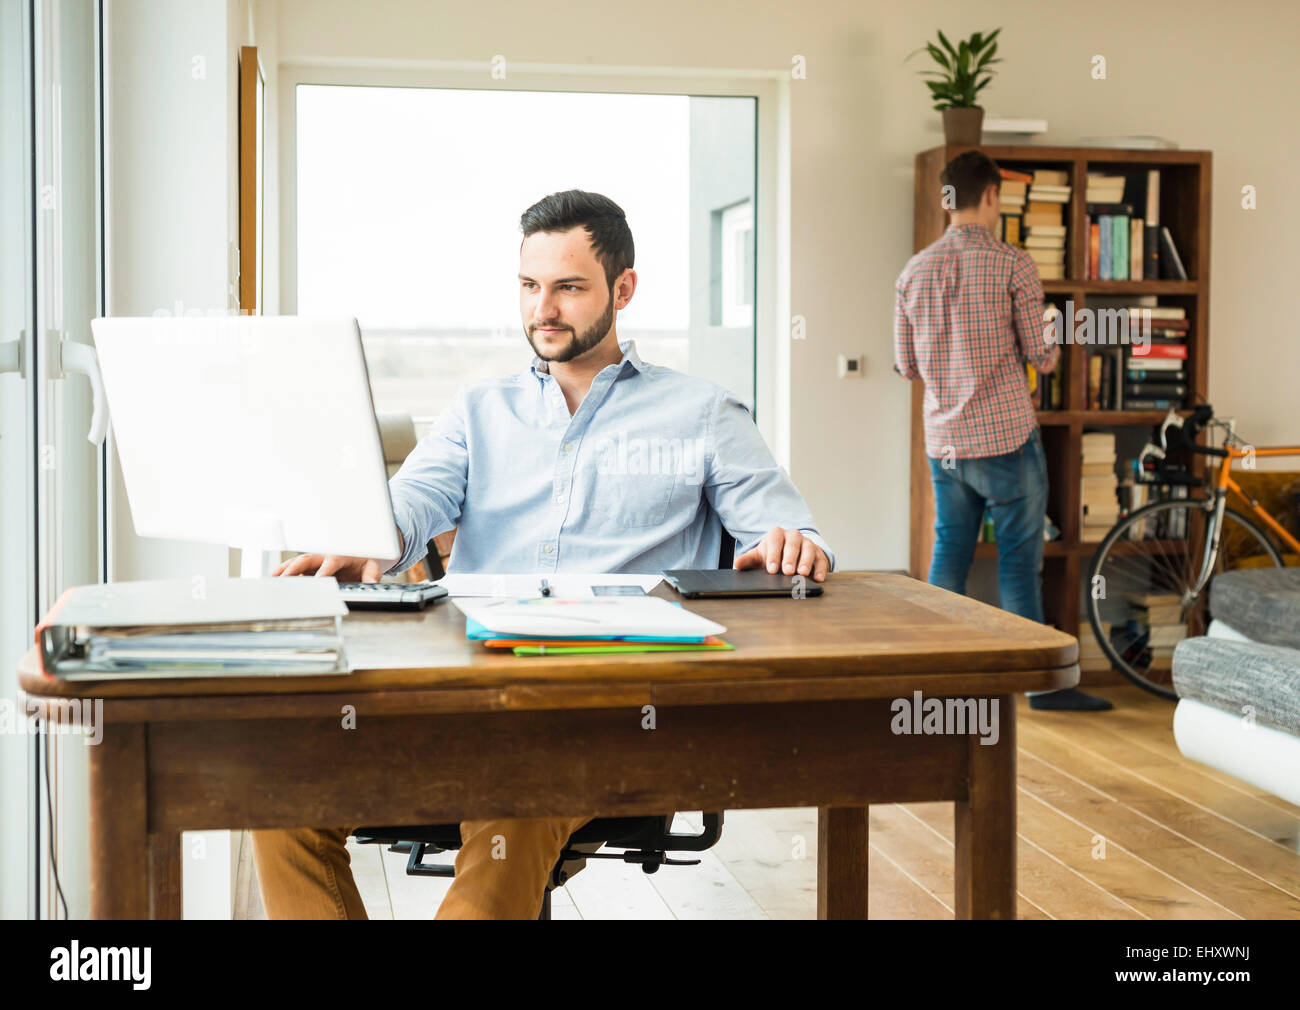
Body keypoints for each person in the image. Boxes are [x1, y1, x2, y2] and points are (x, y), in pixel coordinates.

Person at [254, 189, 835, 919]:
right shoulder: (478, 410)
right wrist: (363, 537)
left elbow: (784, 534)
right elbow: (410, 504)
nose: (543, 310)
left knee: (515, 802)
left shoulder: (702, 413)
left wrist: (790, 544)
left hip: (610, 715)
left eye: (567, 287)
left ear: (623, 289)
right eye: (530, 287)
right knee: (279, 796)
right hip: (464, 701)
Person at [893, 151, 1111, 713]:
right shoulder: (1015, 265)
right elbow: (1042, 355)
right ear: (991, 196)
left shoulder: (913, 272)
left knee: (950, 554)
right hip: (1007, 439)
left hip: (945, 443)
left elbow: (908, 366)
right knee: (1018, 561)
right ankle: (1038, 685)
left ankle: (939, 680)